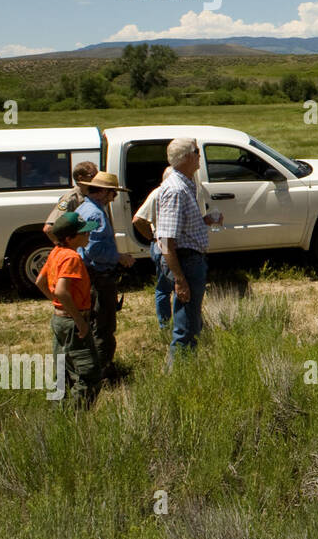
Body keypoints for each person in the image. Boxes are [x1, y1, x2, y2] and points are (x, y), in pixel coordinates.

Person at [133, 167, 218, 332]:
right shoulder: (166, 192)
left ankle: (183, 326)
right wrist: (152, 238)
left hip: (171, 247)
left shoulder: (181, 191)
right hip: (165, 248)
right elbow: (138, 220)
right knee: (166, 287)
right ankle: (169, 326)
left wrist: (204, 221)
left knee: (174, 288)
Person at [35, 211, 101, 406]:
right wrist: (79, 321)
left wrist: (58, 304)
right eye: (84, 233)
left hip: (59, 319)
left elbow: (40, 282)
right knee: (89, 373)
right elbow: (63, 291)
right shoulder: (71, 257)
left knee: (62, 371)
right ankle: (78, 416)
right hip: (73, 321)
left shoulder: (55, 252)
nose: (88, 235)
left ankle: (60, 412)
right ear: (70, 238)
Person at [155, 138, 210, 365]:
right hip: (186, 262)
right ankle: (178, 375)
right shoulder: (176, 190)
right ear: (187, 157)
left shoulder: (185, 184)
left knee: (192, 321)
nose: (200, 155)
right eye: (197, 151)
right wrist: (179, 279)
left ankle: (187, 368)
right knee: (185, 325)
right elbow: (166, 241)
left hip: (191, 261)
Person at [75, 172, 136, 370]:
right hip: (99, 277)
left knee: (93, 322)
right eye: (113, 193)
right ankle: (101, 370)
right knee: (103, 325)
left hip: (89, 275)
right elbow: (94, 249)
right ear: (102, 192)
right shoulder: (96, 214)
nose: (114, 198)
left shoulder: (84, 208)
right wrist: (120, 257)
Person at [42, 160, 97, 241]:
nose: (97, 179)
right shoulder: (70, 199)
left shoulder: (95, 195)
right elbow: (48, 229)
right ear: (81, 178)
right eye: (93, 176)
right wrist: (63, 246)